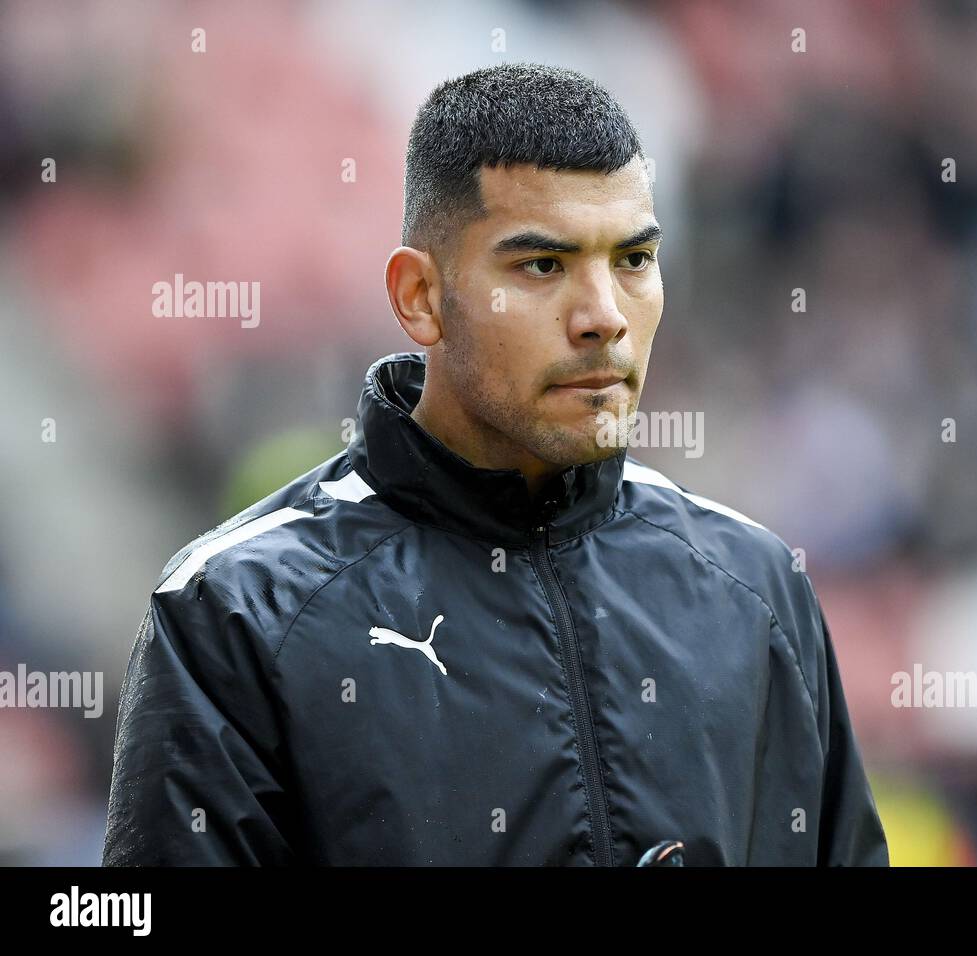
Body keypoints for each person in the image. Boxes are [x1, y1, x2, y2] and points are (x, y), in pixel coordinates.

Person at [101, 63, 889, 866]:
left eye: (633, 260)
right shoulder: (236, 611)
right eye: (543, 266)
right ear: (420, 296)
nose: (604, 318)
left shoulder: (754, 585)